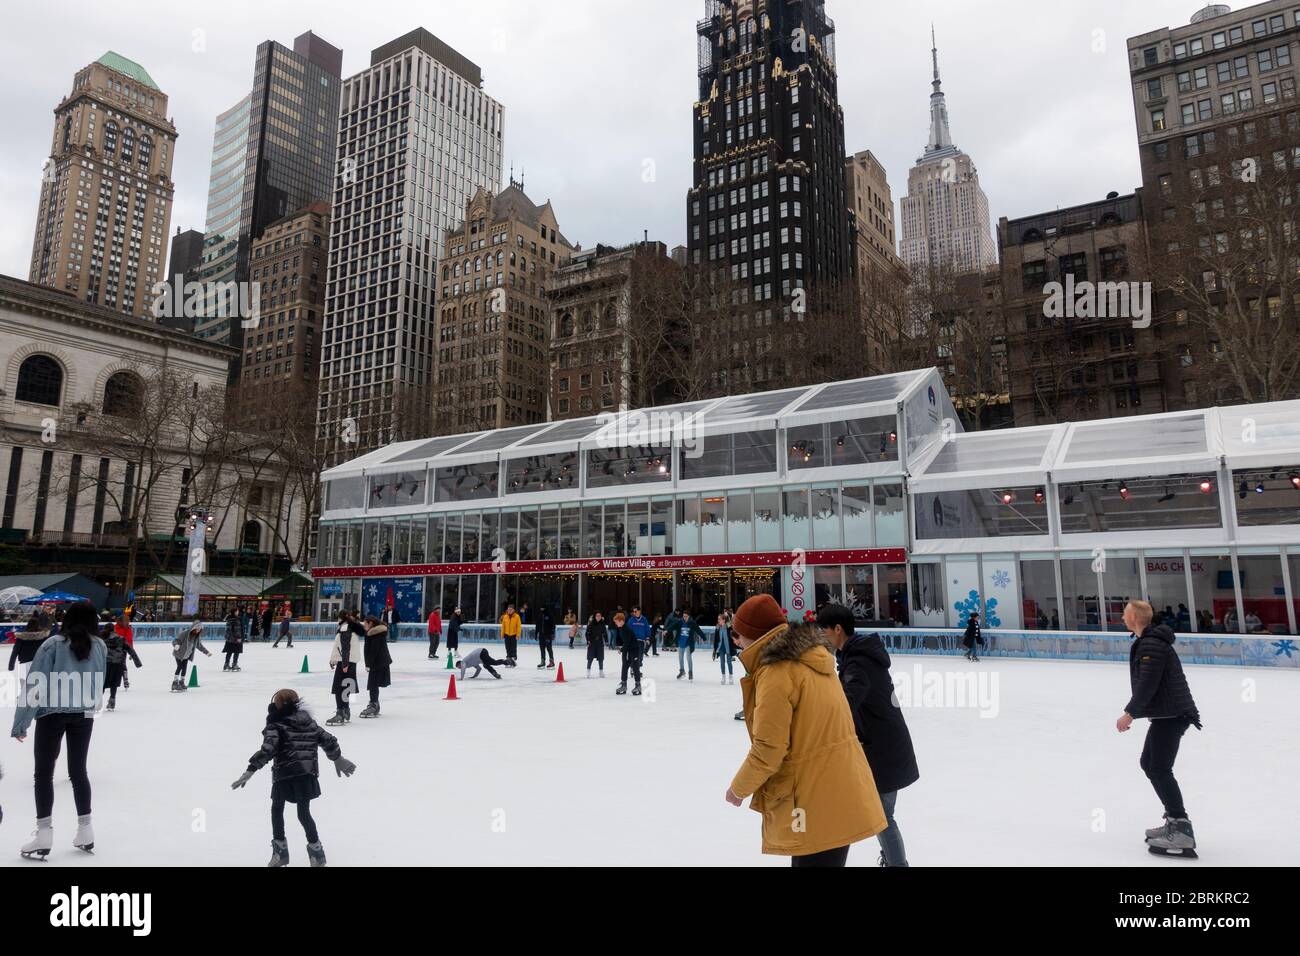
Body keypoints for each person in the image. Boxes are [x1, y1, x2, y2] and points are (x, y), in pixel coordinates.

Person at [725, 594, 886, 867]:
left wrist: (738, 789)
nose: (737, 642)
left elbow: (769, 749)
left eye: (737, 634)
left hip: (812, 796)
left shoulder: (776, 672)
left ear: (754, 635)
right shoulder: (811, 657)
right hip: (839, 788)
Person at [817, 604, 919, 868]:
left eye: (824, 631)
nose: (822, 637)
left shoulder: (858, 663)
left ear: (838, 629)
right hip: (885, 746)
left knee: (882, 817)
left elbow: (845, 704)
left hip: (885, 750)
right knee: (881, 816)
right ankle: (893, 860)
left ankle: (897, 864)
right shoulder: (857, 656)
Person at [12, 601, 107, 860]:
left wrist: (21, 722)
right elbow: (100, 681)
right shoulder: (99, 645)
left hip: (52, 715)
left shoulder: (53, 644)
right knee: (79, 771)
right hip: (83, 716)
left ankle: (44, 834)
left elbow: (35, 683)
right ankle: (86, 830)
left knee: (43, 774)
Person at [1116, 600, 1202, 859]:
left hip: (1173, 714)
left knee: (1158, 767)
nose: (1121, 618)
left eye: (1124, 614)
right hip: (1168, 714)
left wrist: (1130, 713)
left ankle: (1181, 828)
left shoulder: (1151, 644)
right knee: (1149, 763)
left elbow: (1148, 683)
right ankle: (1173, 821)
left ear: (1133, 617)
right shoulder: (1149, 641)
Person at [231, 688, 356, 867]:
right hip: (306, 774)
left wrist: (251, 769)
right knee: (304, 813)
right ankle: (317, 855)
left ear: (278, 704)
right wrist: (337, 758)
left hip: (285, 775)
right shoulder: (309, 722)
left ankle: (280, 853)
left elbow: (268, 750)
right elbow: (329, 740)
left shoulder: (276, 725)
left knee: (277, 809)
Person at [327, 611, 363, 726]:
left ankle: (340, 713)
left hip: (345, 662)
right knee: (346, 687)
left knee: (339, 688)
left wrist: (344, 664)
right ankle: (346, 710)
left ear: (341, 618)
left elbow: (345, 647)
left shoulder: (345, 628)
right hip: (350, 661)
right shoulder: (351, 627)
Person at [100, 619, 142, 712]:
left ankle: (97, 703)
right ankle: (112, 701)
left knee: (102, 684)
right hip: (118, 664)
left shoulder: (101, 639)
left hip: (105, 664)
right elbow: (131, 650)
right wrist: (137, 662)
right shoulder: (121, 639)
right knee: (114, 684)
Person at [358, 616, 391, 719]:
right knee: (373, 684)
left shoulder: (376, 634)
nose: (364, 626)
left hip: (378, 662)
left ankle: (374, 704)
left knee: (373, 684)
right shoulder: (372, 633)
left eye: (366, 623)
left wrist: (369, 664)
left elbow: (374, 650)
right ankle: (374, 703)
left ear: (371, 623)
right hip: (378, 662)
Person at [7, 611, 51, 676]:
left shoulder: (21, 638)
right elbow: (48, 652)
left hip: (24, 663)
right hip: (40, 663)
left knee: (25, 683)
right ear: (38, 626)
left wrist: (11, 666)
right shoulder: (43, 637)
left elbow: (15, 652)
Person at [172, 623, 213, 691]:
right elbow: (176, 640)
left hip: (187, 655)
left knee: (184, 668)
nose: (198, 631)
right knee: (180, 667)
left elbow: (199, 646)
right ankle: (175, 683)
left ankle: (182, 682)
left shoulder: (196, 637)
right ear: (194, 628)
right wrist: (176, 645)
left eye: (200, 630)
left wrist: (207, 652)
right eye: (198, 629)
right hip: (179, 653)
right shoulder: (185, 633)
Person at [611, 612, 642, 696]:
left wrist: (622, 649)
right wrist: (623, 649)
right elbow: (625, 642)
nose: (615, 623)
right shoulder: (621, 628)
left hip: (634, 650)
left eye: (616, 621)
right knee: (624, 666)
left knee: (635, 667)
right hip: (627, 650)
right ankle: (623, 685)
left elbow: (628, 642)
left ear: (621, 621)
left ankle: (638, 686)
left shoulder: (627, 629)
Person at [676, 609, 704, 681]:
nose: (684, 618)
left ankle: (690, 672)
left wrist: (704, 637)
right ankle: (682, 671)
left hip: (688, 643)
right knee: (680, 658)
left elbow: (698, 630)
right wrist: (666, 630)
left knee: (688, 658)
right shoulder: (680, 622)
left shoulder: (692, 623)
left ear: (689, 616)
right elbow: (673, 626)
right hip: (681, 642)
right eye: (683, 616)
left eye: (686, 616)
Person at [585, 611, 607, 678]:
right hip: (592, 642)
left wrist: (606, 641)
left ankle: (601, 671)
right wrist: (588, 640)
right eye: (597, 616)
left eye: (599, 616)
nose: (598, 617)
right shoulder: (591, 624)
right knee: (590, 658)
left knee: (601, 658)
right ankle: (588, 671)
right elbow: (587, 633)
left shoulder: (602, 624)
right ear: (595, 616)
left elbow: (605, 633)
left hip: (600, 643)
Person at [715, 611, 735, 685]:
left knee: (729, 662)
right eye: (718, 619)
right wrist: (715, 649)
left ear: (723, 620)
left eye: (719, 619)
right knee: (722, 663)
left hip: (728, 647)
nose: (718, 621)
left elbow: (733, 621)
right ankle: (723, 676)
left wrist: (728, 614)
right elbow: (716, 639)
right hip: (721, 647)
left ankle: (731, 676)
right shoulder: (718, 628)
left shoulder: (728, 626)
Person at [536, 605, 556, 669]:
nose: (541, 609)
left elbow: (553, 625)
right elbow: (537, 625)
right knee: (542, 648)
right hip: (541, 635)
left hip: (548, 635)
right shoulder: (540, 615)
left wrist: (552, 633)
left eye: (542, 607)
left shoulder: (550, 614)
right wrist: (536, 633)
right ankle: (543, 661)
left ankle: (551, 661)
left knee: (549, 648)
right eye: (541, 607)